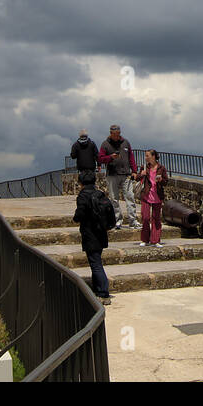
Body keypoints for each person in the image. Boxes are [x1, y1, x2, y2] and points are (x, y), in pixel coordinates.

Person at [72, 170, 113, 305]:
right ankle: (97, 289)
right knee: (96, 260)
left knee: (95, 263)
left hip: (90, 233)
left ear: (81, 182)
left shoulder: (83, 196)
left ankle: (103, 293)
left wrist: (75, 218)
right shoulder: (99, 194)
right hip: (101, 233)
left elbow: (80, 215)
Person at [98, 124, 137, 228]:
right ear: (111, 134)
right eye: (115, 134)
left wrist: (134, 171)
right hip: (112, 174)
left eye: (118, 134)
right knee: (114, 199)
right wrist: (110, 157)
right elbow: (100, 159)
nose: (117, 136)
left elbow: (131, 157)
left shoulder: (125, 142)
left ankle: (132, 220)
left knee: (130, 196)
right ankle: (117, 220)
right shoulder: (105, 144)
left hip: (125, 174)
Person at [134, 150, 169, 247]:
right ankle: (145, 239)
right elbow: (136, 178)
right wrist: (142, 174)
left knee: (156, 218)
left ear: (153, 156)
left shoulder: (162, 168)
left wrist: (161, 180)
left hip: (157, 195)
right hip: (146, 195)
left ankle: (155, 240)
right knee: (145, 218)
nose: (146, 157)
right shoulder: (144, 167)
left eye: (147, 156)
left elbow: (166, 182)